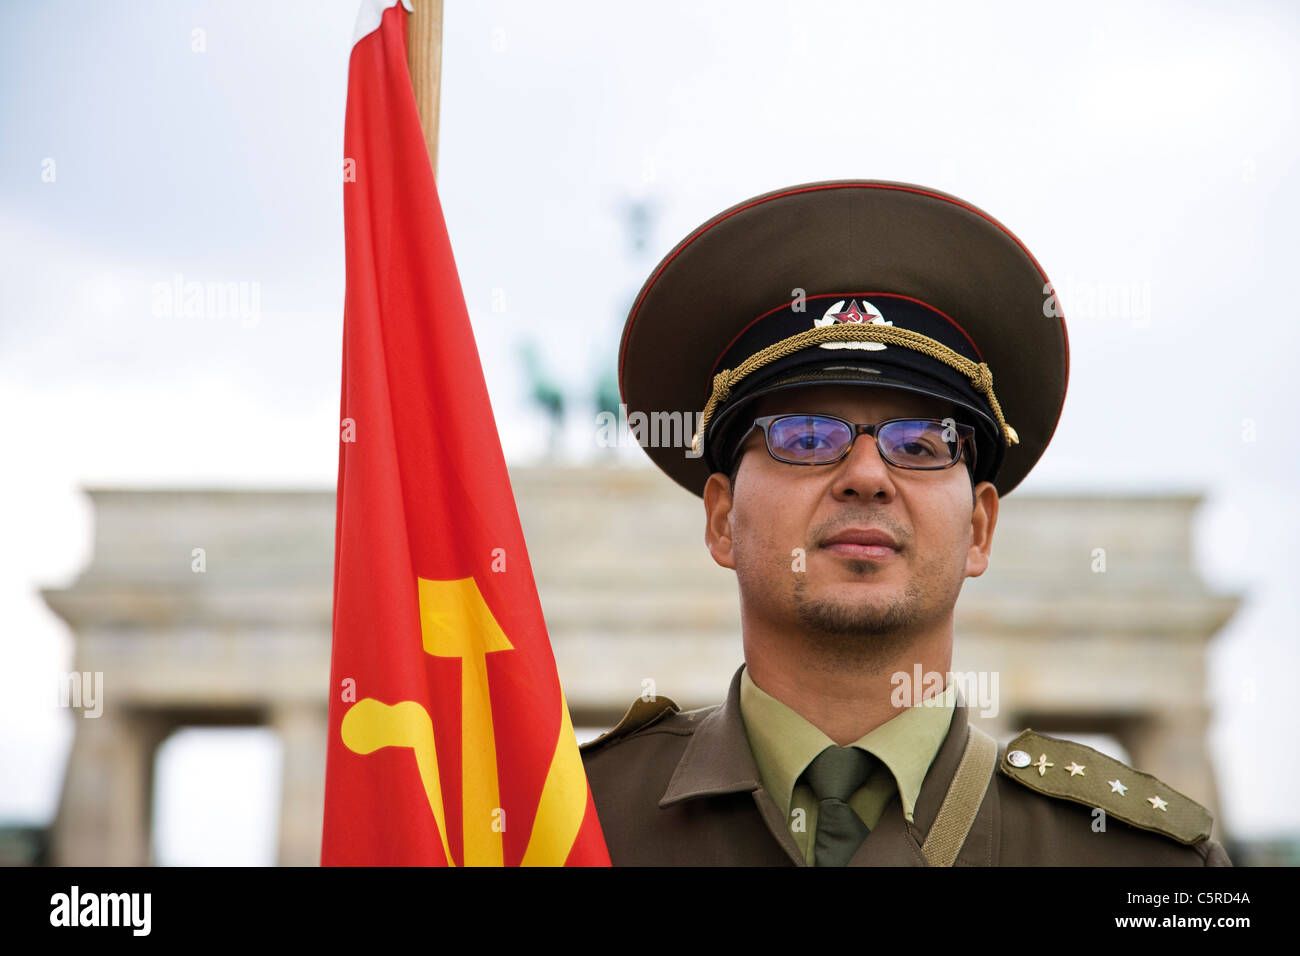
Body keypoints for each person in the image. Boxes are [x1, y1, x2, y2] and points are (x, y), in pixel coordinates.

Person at [579, 179, 1232, 866]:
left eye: (921, 445)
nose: (867, 475)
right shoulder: (564, 830)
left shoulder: (1143, 863)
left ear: (980, 529)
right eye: (805, 438)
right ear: (720, 519)